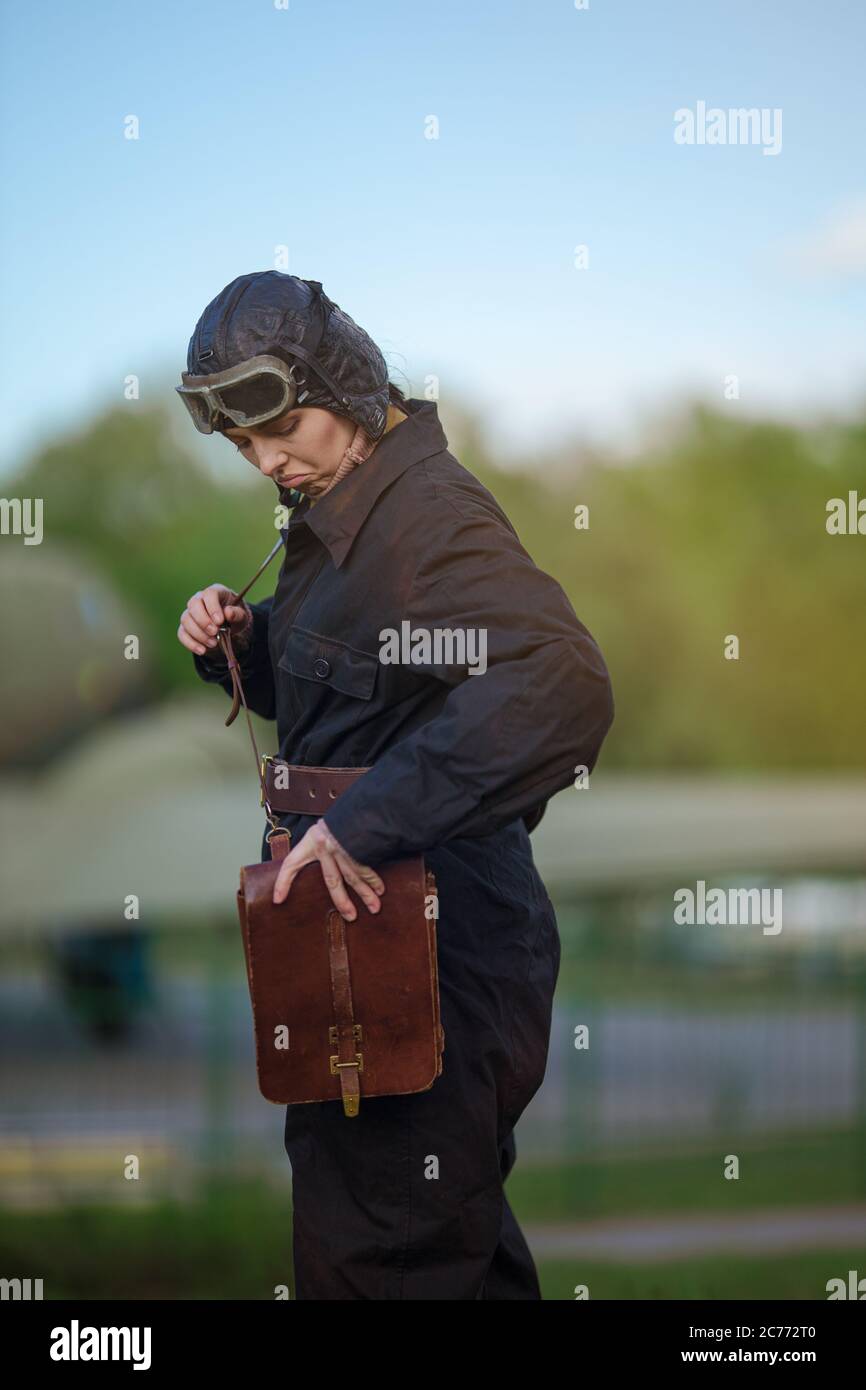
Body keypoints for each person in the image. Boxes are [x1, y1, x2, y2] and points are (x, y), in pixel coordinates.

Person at [175, 271, 614, 1299]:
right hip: (368, 926)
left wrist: (368, 822)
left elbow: (557, 682)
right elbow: (369, 691)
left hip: (430, 931)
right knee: (428, 1246)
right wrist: (246, 642)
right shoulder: (332, 514)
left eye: (279, 428)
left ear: (341, 385)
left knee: (389, 1256)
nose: (264, 458)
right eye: (244, 446)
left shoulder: (424, 514)